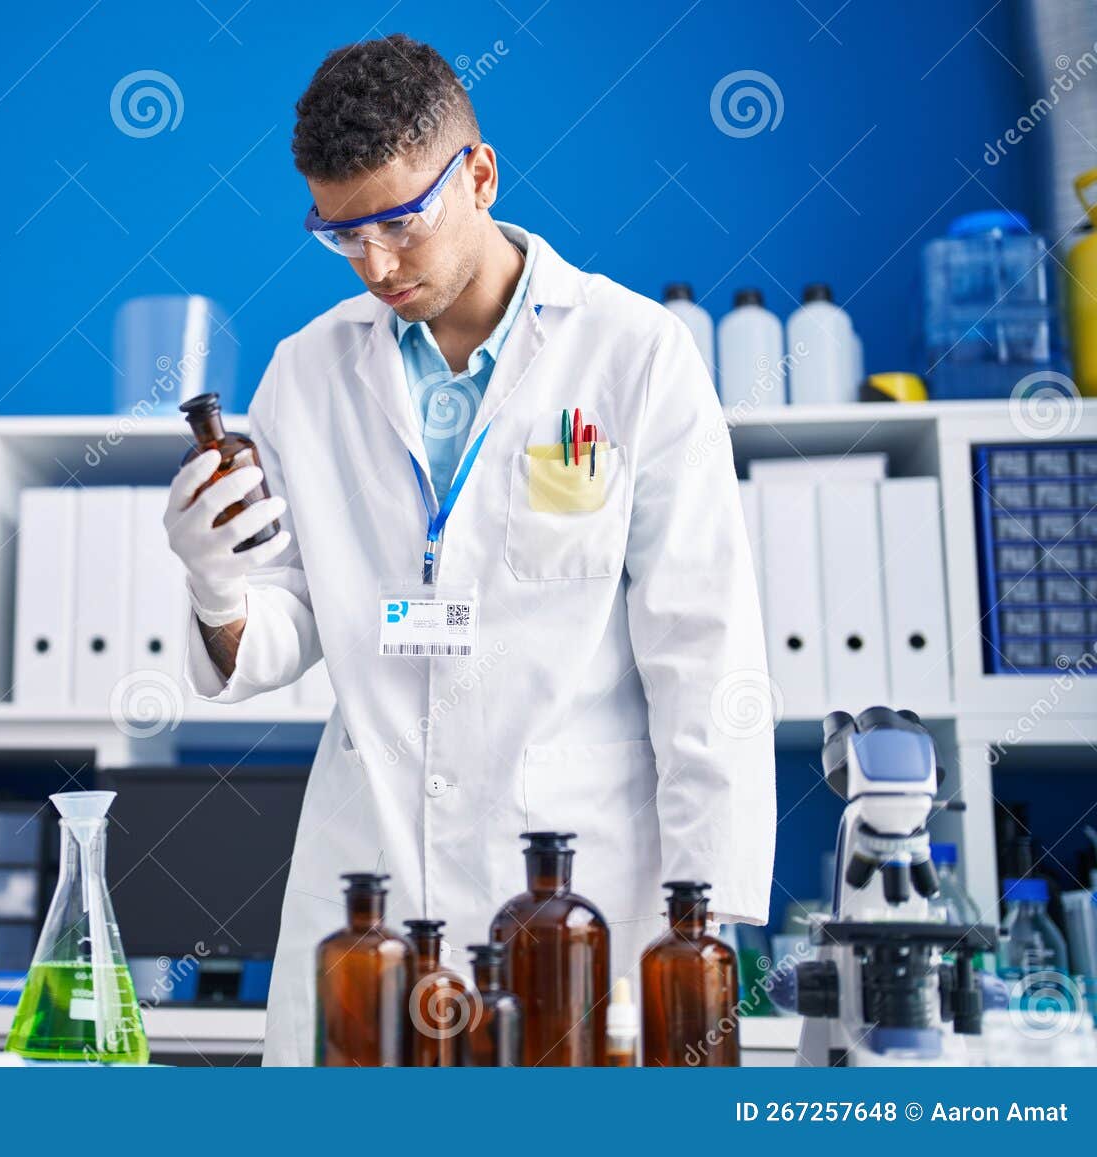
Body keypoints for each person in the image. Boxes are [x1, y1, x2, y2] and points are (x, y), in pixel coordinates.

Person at [162, 33, 775, 1066]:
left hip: (577, 891)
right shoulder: (307, 373)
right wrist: (217, 586)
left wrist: (706, 922)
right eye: (340, 235)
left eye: (400, 222)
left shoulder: (630, 354)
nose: (377, 265)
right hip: (368, 875)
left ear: (479, 174)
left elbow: (703, 646)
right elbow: (282, 627)